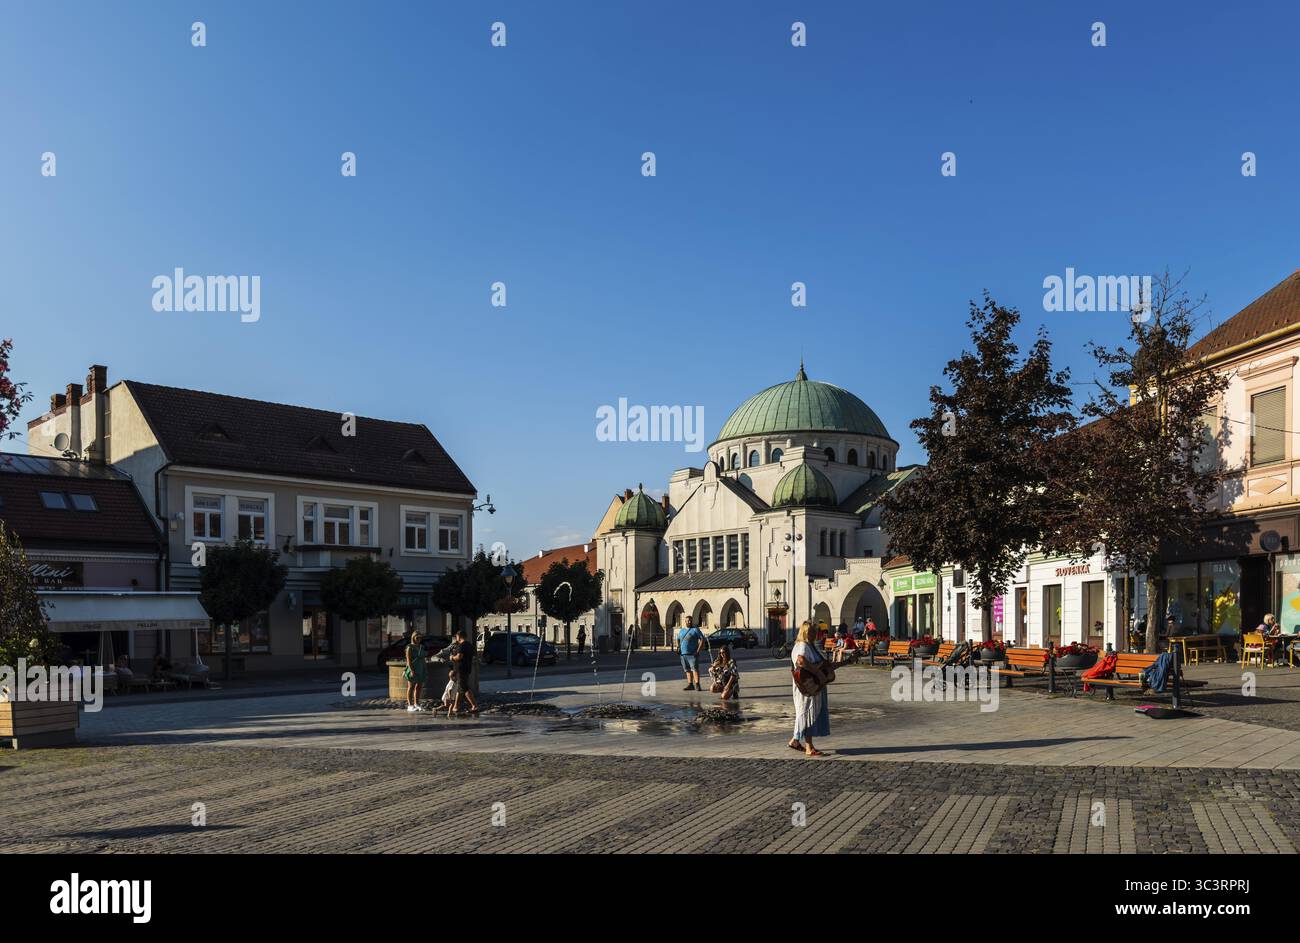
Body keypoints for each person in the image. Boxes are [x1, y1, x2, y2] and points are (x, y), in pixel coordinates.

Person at [788, 620, 830, 757]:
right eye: (812, 632)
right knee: (807, 713)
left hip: (810, 685)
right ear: (805, 632)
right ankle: (809, 747)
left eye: (815, 631)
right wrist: (817, 672)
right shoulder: (803, 645)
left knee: (803, 713)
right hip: (808, 686)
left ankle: (795, 740)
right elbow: (801, 661)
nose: (815, 634)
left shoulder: (807, 645)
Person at [446, 628, 479, 717]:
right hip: (467, 668)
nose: (456, 638)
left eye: (456, 636)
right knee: (460, 688)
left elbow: (459, 656)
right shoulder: (470, 645)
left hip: (461, 669)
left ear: (459, 636)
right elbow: (474, 656)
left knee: (464, 688)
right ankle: (456, 707)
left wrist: (452, 657)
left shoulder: (462, 645)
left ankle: (474, 706)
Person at [678, 617, 705, 691]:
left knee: (695, 669)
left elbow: (702, 639)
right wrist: (678, 647)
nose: (689, 622)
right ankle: (690, 684)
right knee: (687, 670)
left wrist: (698, 650)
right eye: (687, 621)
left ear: (692, 621)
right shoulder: (682, 630)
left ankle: (697, 684)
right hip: (683, 654)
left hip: (692, 654)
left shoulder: (695, 629)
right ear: (685, 621)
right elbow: (678, 639)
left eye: (690, 620)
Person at [404, 632, 427, 712]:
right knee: (411, 687)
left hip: (421, 668)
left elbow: (423, 658)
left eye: (420, 638)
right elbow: (408, 661)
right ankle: (410, 705)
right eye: (417, 638)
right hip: (413, 668)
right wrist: (412, 670)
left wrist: (424, 668)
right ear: (413, 638)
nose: (419, 639)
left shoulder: (421, 646)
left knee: (419, 687)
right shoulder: (409, 647)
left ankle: (416, 703)